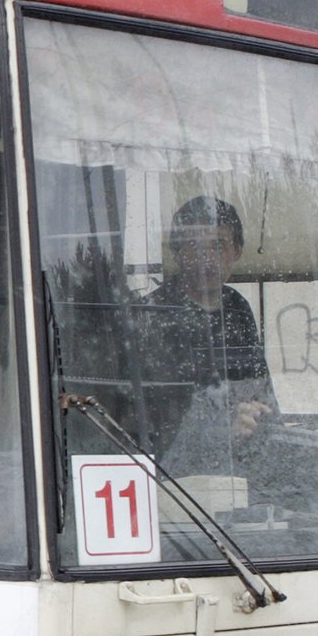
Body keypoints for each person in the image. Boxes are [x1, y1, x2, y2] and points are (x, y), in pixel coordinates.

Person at [130, 195, 277, 473]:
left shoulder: (237, 307)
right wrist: (222, 427)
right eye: (193, 245)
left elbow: (259, 388)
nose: (206, 258)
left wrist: (259, 416)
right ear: (176, 252)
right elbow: (152, 420)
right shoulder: (152, 314)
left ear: (237, 251)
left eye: (218, 245)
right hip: (172, 475)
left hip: (237, 465)